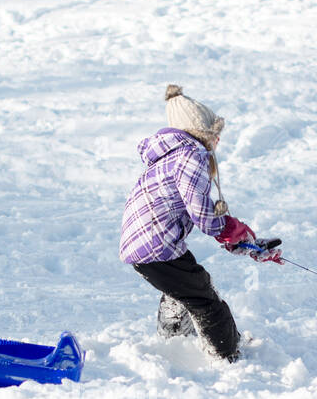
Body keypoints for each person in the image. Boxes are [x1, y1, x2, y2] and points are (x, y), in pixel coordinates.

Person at [119, 85, 279, 362]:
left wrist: (236, 238)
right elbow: (204, 216)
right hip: (158, 246)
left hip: (145, 244)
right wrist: (230, 230)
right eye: (214, 135)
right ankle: (227, 356)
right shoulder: (191, 156)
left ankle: (174, 343)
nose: (217, 142)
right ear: (200, 134)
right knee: (206, 299)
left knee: (185, 287)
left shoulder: (167, 157)